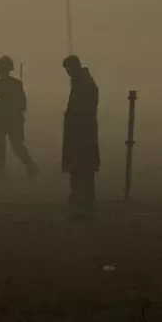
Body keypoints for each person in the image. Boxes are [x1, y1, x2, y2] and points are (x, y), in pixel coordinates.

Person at [62, 55, 100, 218]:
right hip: (79, 131)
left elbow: (83, 108)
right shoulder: (82, 82)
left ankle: (82, 198)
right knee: (80, 166)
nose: (67, 73)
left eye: (68, 69)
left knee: (82, 165)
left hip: (82, 132)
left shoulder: (85, 84)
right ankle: (80, 197)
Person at [0, 55, 38, 178]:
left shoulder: (12, 84)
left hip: (11, 118)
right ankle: (1, 169)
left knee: (15, 144)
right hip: (4, 117)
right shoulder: (6, 83)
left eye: (0, 69)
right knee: (1, 144)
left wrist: (17, 111)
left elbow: (22, 101)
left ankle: (30, 166)